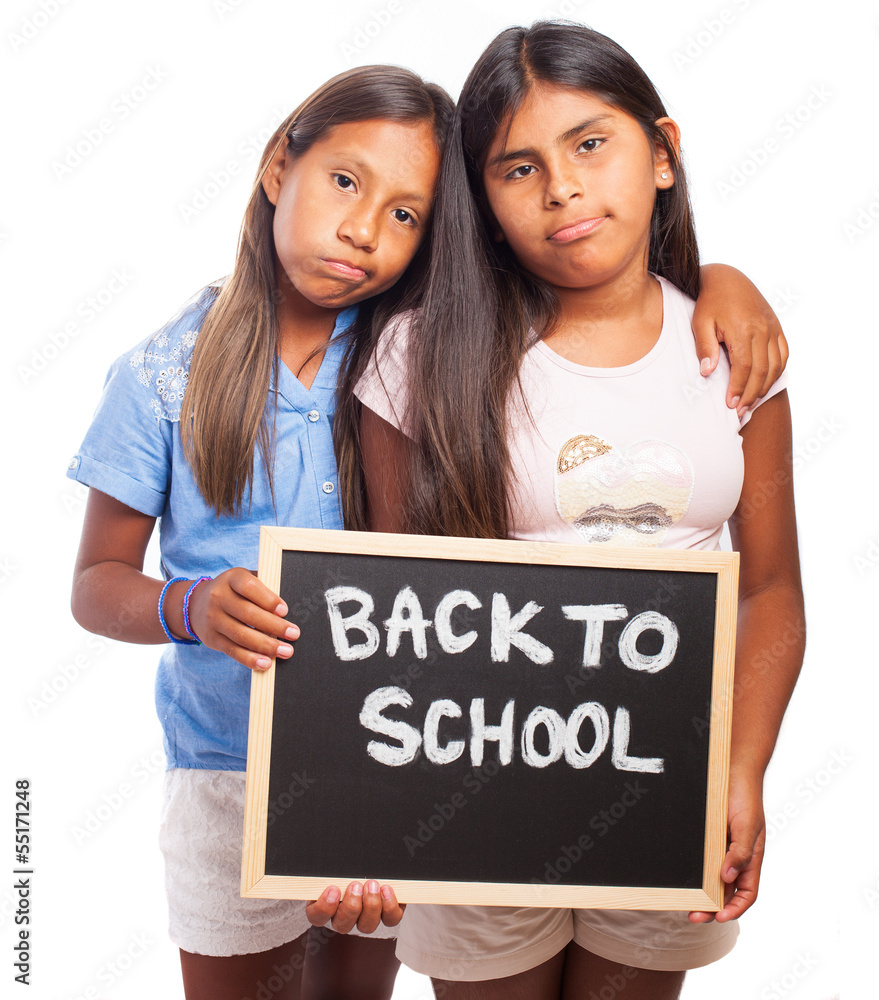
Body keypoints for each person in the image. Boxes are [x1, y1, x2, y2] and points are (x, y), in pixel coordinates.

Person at [346, 21, 805, 1000]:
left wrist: (742, 771)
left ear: (664, 154)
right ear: (483, 200)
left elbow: (771, 589)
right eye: (518, 166)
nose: (561, 187)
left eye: (591, 143)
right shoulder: (418, 354)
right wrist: (367, 813)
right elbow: (382, 604)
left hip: (661, 782)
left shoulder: (734, 355)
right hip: (471, 791)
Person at [67, 64, 452, 1000]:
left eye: (406, 214)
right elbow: (95, 584)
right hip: (224, 773)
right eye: (347, 182)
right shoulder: (165, 372)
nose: (365, 229)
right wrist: (190, 606)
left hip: (384, 756)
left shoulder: (422, 359)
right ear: (282, 164)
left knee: (353, 988)